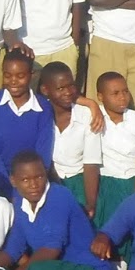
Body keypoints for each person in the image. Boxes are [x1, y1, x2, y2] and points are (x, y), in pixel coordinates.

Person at [0, 150, 113, 270]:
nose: (34, 184)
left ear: (46, 174)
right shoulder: (19, 202)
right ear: (13, 181)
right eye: (25, 180)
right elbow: (13, 249)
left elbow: (52, 248)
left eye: (39, 177)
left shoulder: (60, 196)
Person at [0, 49, 55, 201]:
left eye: (20, 76)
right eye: (7, 75)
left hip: (34, 184)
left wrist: (31, 183)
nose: (13, 81)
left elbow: (44, 151)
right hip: (1, 183)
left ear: (31, 75)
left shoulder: (43, 108)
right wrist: (8, 188)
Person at [92, 71, 135, 226]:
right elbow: (70, 98)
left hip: (133, 181)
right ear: (100, 97)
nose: (122, 97)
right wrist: (90, 104)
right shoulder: (92, 117)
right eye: (115, 93)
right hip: (106, 183)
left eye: (125, 91)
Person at [42, 60, 102, 212]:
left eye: (71, 85)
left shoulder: (86, 115)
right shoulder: (40, 115)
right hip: (48, 183)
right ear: (45, 90)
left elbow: (91, 163)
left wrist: (90, 204)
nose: (68, 92)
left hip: (80, 183)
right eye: (61, 88)